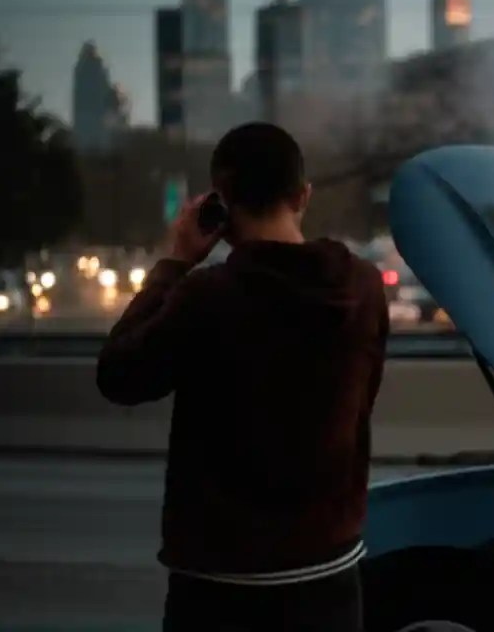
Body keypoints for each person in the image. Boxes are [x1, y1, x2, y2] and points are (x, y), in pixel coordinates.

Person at [97, 122, 389, 631]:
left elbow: (118, 375)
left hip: (222, 586)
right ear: (302, 195)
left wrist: (173, 263)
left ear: (220, 207)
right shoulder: (363, 287)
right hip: (330, 577)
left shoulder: (207, 296)